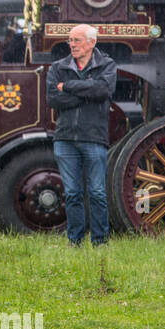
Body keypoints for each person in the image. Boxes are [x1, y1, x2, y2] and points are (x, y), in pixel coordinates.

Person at [46, 24, 117, 247]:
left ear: (91, 43)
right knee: (73, 193)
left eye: (77, 40)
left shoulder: (107, 65)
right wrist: (86, 91)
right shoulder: (57, 67)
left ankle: (100, 242)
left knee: (97, 192)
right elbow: (53, 99)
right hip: (65, 137)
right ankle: (74, 241)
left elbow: (103, 91)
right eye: (70, 40)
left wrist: (67, 86)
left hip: (94, 137)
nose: (72, 45)